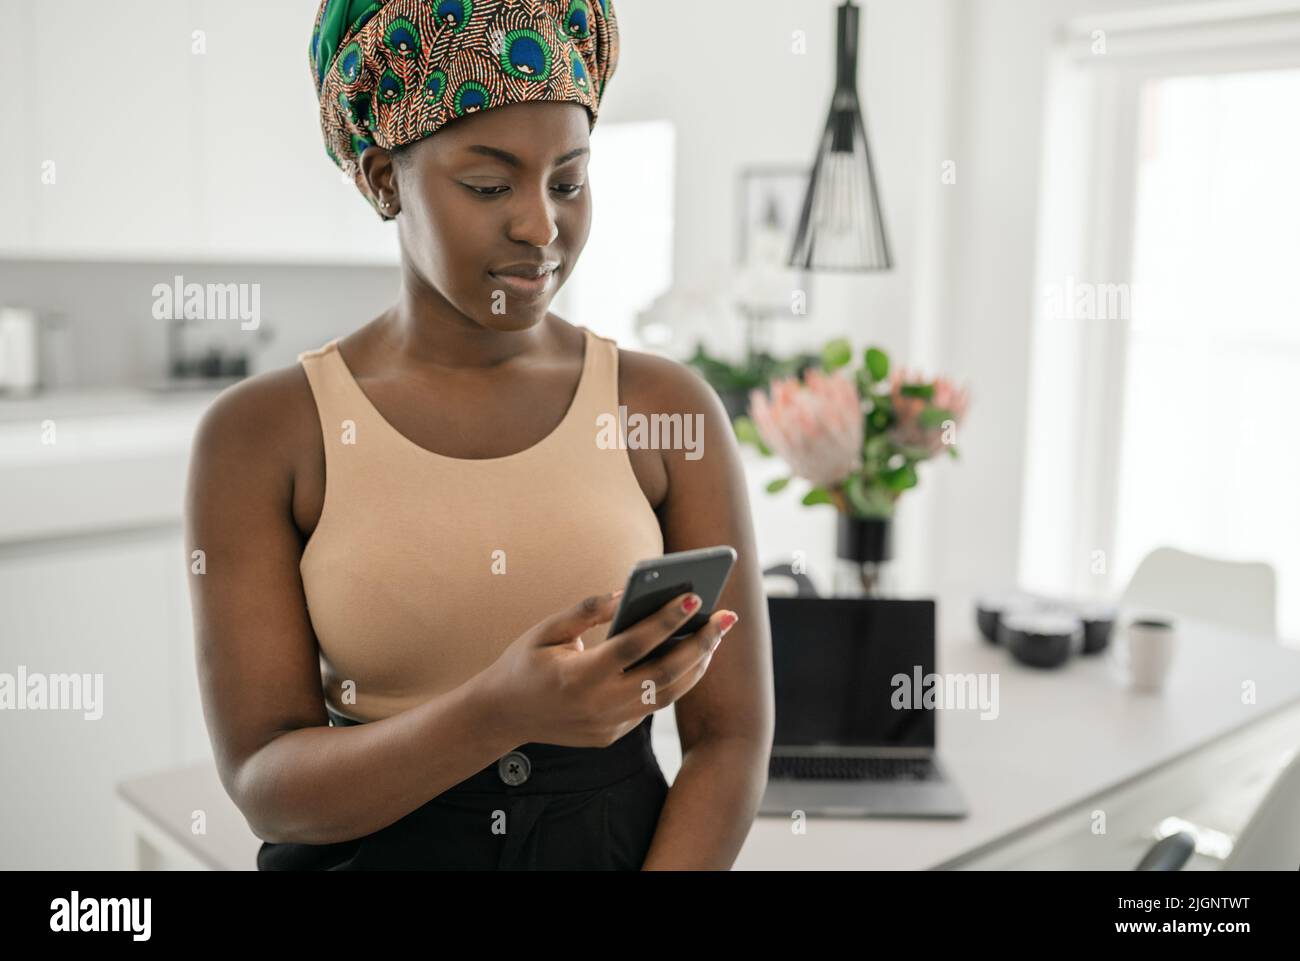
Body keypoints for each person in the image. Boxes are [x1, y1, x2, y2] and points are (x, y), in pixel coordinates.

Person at [185, 0, 773, 870]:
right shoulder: (262, 435)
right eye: (490, 185)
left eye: (568, 181)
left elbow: (730, 739)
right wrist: (496, 713)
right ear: (385, 178)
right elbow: (264, 780)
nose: (541, 228)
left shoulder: (665, 406)